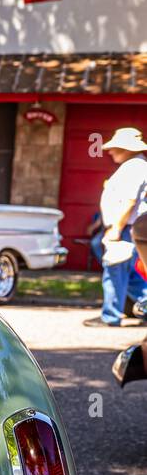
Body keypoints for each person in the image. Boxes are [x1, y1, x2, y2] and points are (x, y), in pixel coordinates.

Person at [86, 127, 147, 327]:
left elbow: (129, 201)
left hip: (126, 229)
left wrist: (116, 229)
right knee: (133, 274)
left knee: (114, 270)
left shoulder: (134, 167)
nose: (110, 151)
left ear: (126, 149)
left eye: (115, 147)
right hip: (130, 228)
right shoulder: (136, 165)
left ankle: (110, 315)